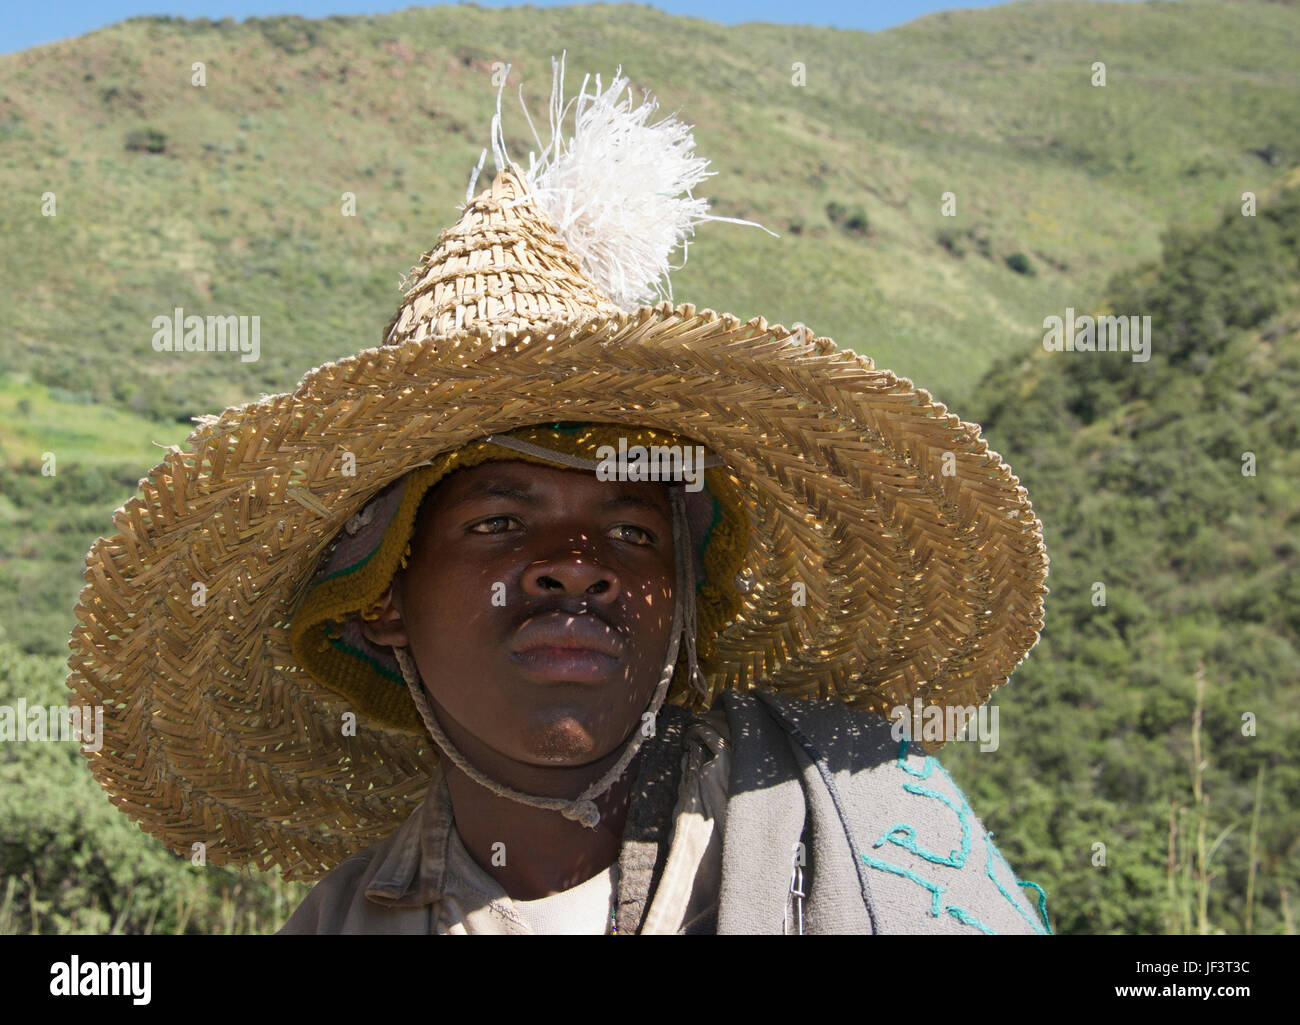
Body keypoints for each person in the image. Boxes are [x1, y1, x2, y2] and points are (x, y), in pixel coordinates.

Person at [67, 53, 1052, 935]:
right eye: (499, 521)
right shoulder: (344, 918)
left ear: (686, 604)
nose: (575, 564)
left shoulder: (849, 820)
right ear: (382, 602)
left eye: (630, 529)